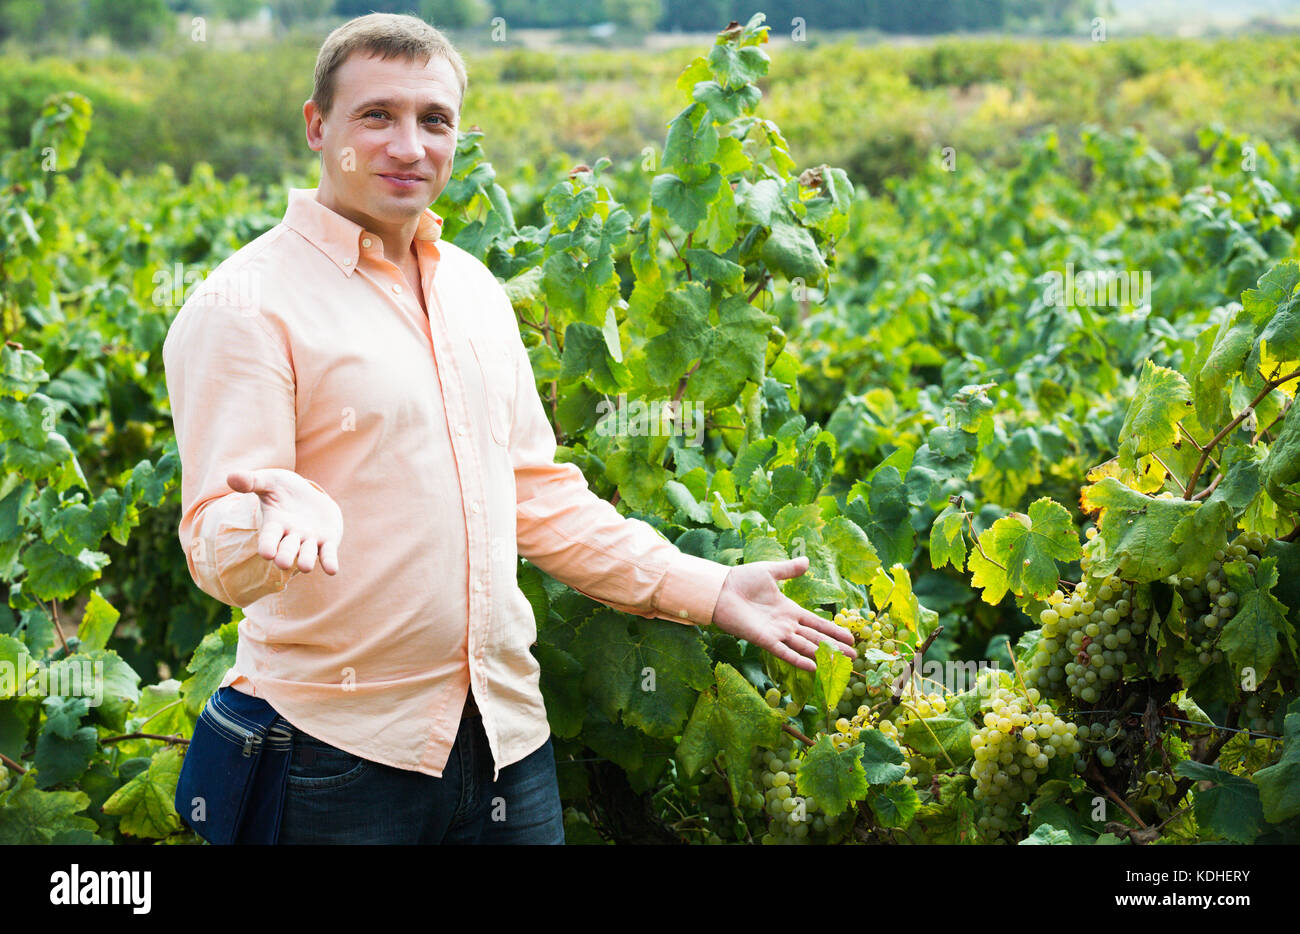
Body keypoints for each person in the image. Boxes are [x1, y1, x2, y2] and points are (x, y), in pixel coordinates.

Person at [161, 12, 856, 845]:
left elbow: (538, 496)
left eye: (435, 120)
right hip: (333, 759)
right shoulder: (246, 305)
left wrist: (706, 588)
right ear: (319, 127)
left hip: (506, 744)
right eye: (376, 116)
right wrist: (271, 524)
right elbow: (215, 545)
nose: (409, 146)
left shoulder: (475, 291)